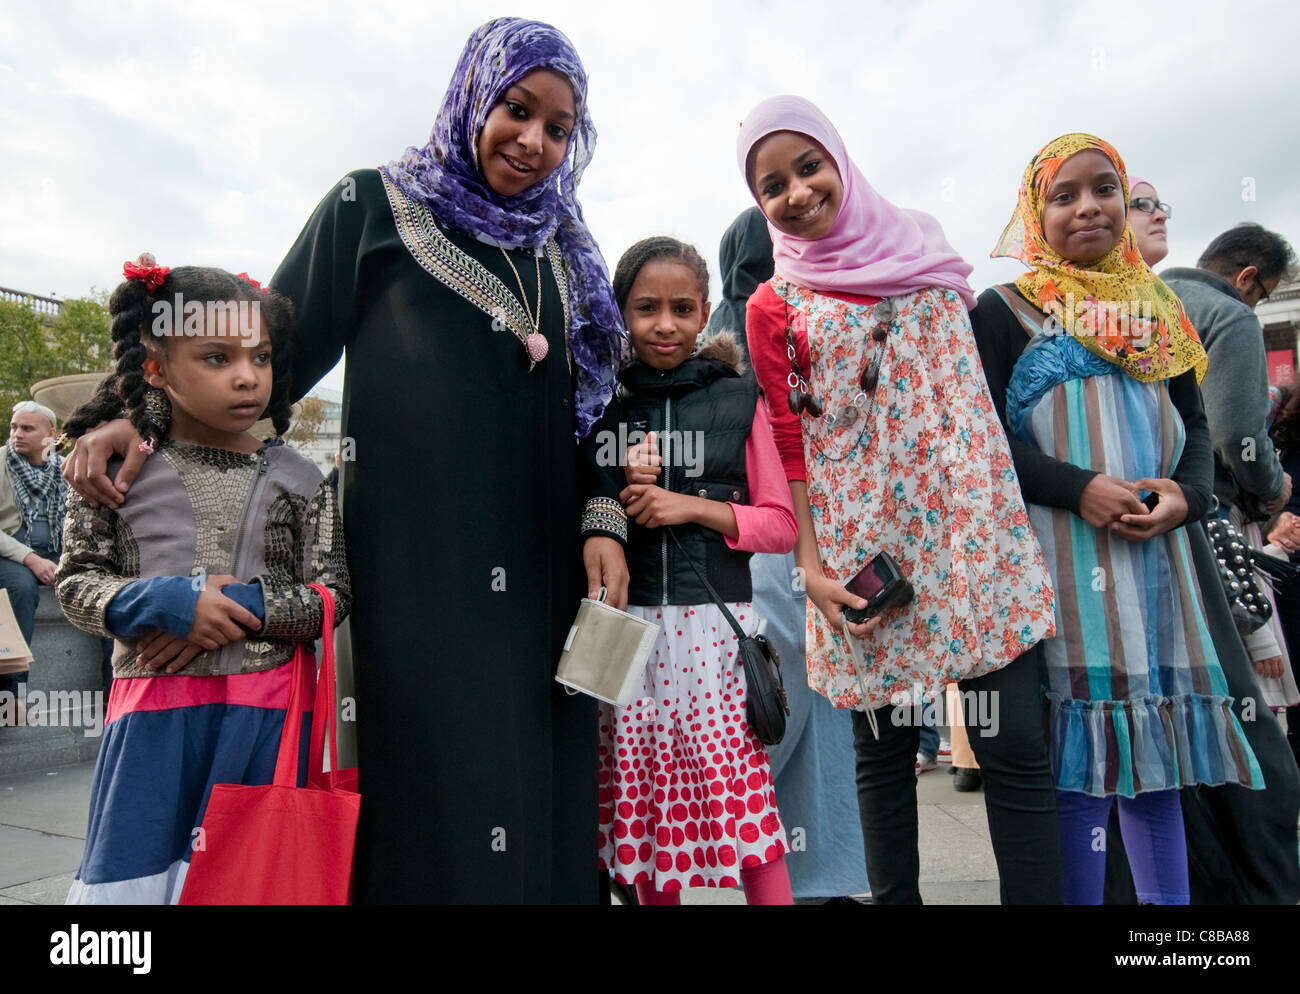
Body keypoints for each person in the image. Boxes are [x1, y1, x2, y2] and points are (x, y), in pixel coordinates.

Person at [61, 18, 628, 904]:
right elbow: (260, 349)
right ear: (474, 98)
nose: (534, 141)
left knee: (539, 777)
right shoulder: (374, 206)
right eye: (517, 110)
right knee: (433, 778)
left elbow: (596, 403)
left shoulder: (564, 248)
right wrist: (126, 415)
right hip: (414, 569)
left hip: (549, 567)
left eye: (560, 128)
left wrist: (604, 519)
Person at [739, 95, 1062, 905]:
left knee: (1018, 746)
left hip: (973, 533)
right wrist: (809, 567)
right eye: (771, 184)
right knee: (881, 760)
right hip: (861, 553)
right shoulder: (773, 306)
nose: (797, 192)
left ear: (840, 161)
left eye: (808, 166)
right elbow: (787, 443)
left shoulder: (925, 247)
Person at [969, 133, 1264, 905]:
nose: (1088, 207)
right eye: (1063, 196)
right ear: (1035, 214)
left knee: (1158, 773)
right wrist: (1077, 487)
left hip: (1161, 567)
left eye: (1105, 188)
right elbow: (981, 442)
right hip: (1065, 567)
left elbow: (1194, 428)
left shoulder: (1160, 309)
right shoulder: (1002, 311)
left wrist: (1187, 498)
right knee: (1079, 770)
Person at [55, 259, 350, 903]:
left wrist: (237, 605)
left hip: (267, 716)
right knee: (134, 871)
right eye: (217, 358)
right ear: (156, 368)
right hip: (154, 716)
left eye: (262, 357)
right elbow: (77, 583)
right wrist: (164, 601)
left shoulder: (299, 478)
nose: (248, 377)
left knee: (249, 877)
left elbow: (333, 592)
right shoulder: (115, 472)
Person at [582, 236, 797, 904]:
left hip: (713, 639)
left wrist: (690, 506)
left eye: (682, 307)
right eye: (646, 308)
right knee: (644, 818)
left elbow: (780, 524)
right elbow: (586, 507)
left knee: (747, 813)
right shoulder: (601, 406)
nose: (665, 324)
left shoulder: (740, 400)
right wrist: (622, 492)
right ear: (621, 313)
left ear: (706, 312)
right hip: (624, 632)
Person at [708, 206, 870, 901]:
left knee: (810, 715)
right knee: (786, 707)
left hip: (782, 548)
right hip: (780, 547)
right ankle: (793, 868)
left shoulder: (744, 324)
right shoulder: (748, 330)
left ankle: (814, 877)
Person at [0, 401, 65, 702]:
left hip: (58, 551)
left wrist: (70, 558)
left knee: (103, 583)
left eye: (27, 428)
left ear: (50, 434)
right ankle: (10, 693)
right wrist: (30, 558)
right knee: (20, 588)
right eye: (15, 427)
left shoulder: (65, 467)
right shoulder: (1, 463)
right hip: (11, 554)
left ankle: (111, 689)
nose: (17, 433)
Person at [1126, 178, 1170, 267]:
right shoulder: (1091, 280)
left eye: (1160, 207)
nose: (1162, 215)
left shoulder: (1159, 281)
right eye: (1143, 205)